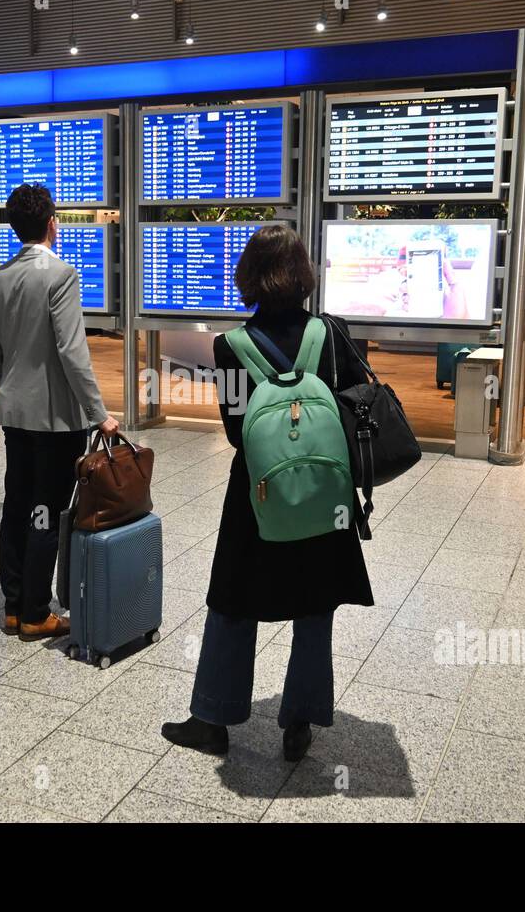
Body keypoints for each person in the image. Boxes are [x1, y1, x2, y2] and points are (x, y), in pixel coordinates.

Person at [161, 225, 374, 763]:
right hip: (326, 494)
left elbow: (236, 433)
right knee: (315, 600)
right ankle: (299, 721)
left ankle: (212, 718)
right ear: (303, 274)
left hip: (256, 495)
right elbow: (355, 411)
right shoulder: (334, 334)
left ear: (249, 277)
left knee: (232, 600)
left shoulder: (229, 347)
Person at [0, 183, 119, 642]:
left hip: (14, 413)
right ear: (51, 224)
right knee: (46, 508)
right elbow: (72, 352)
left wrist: (11, 388)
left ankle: (13, 606)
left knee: (16, 504)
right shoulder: (60, 275)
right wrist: (99, 413)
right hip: (56, 419)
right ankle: (37, 612)